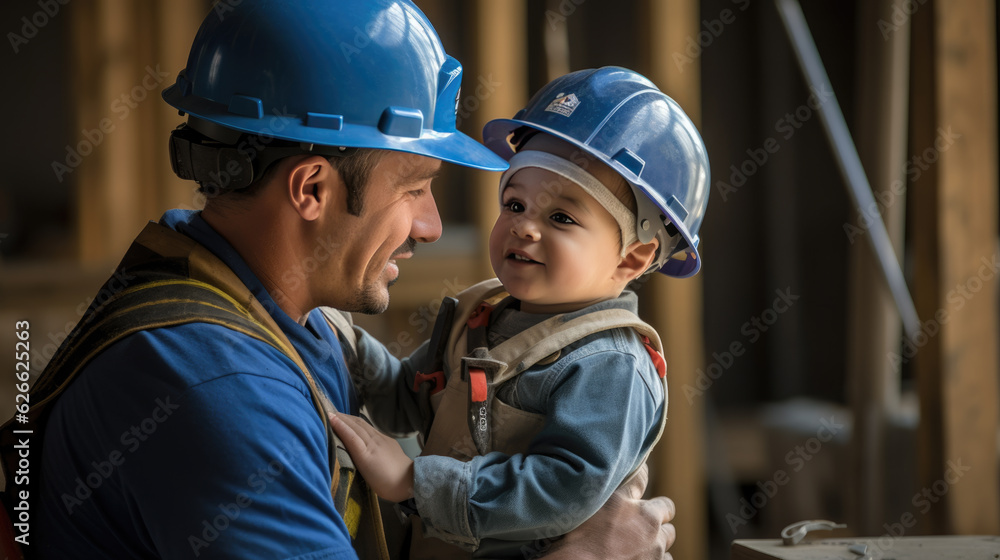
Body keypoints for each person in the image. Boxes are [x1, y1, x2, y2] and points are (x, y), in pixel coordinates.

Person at [0, 2, 678, 559]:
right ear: (312, 189)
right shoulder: (220, 388)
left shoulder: (273, 307)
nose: (431, 226)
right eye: (413, 188)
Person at [328, 67, 710, 559]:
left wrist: (413, 480)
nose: (524, 227)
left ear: (631, 258)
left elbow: (562, 485)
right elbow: (405, 398)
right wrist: (339, 336)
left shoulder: (611, 364)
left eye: (560, 217)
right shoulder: (479, 316)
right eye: (514, 204)